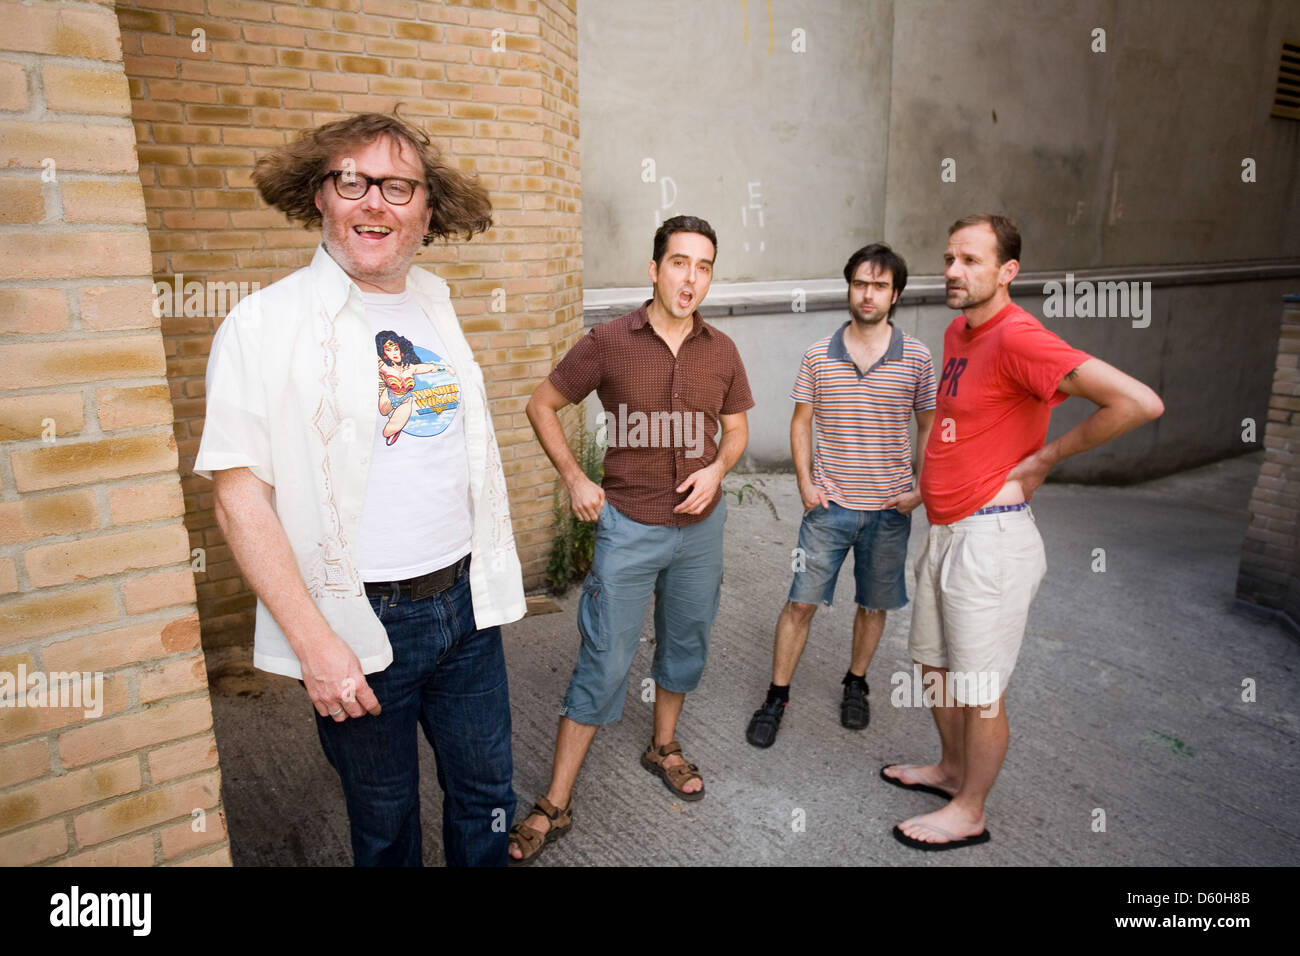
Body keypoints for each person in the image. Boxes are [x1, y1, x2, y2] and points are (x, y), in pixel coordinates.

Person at [193, 113, 526, 867]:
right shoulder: (261, 326)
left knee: (489, 796)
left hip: (467, 606)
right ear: (322, 195)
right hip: (361, 622)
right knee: (385, 822)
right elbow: (238, 496)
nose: (374, 201)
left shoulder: (435, 305)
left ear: (427, 209)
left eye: (397, 186)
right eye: (353, 180)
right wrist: (315, 643)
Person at [882, 214, 1164, 850]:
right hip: (947, 531)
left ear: (1008, 272)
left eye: (972, 261)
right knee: (933, 666)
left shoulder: (1021, 338)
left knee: (980, 687)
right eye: (950, 257)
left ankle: (971, 810)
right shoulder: (959, 331)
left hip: (992, 541)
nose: (954, 270)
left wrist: (1045, 458)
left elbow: (1139, 402)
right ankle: (951, 770)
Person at [511, 214, 754, 864]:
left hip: (700, 530)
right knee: (605, 657)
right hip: (629, 526)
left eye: (704, 266)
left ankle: (663, 745)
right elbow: (541, 404)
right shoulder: (611, 341)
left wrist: (718, 468)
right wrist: (573, 478)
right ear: (654, 269)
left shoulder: (722, 351)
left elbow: (735, 431)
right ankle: (555, 802)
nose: (691, 278)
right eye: (680, 262)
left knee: (686, 638)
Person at [746, 243, 935, 748]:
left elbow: (929, 426)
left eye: (879, 286)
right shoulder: (818, 355)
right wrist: (807, 482)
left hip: (890, 510)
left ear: (895, 295)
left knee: (873, 605)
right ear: (849, 287)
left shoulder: (916, 356)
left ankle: (856, 681)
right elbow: (800, 423)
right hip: (828, 508)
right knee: (800, 604)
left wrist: (921, 490)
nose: (868, 294)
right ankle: (777, 695)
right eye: (860, 283)